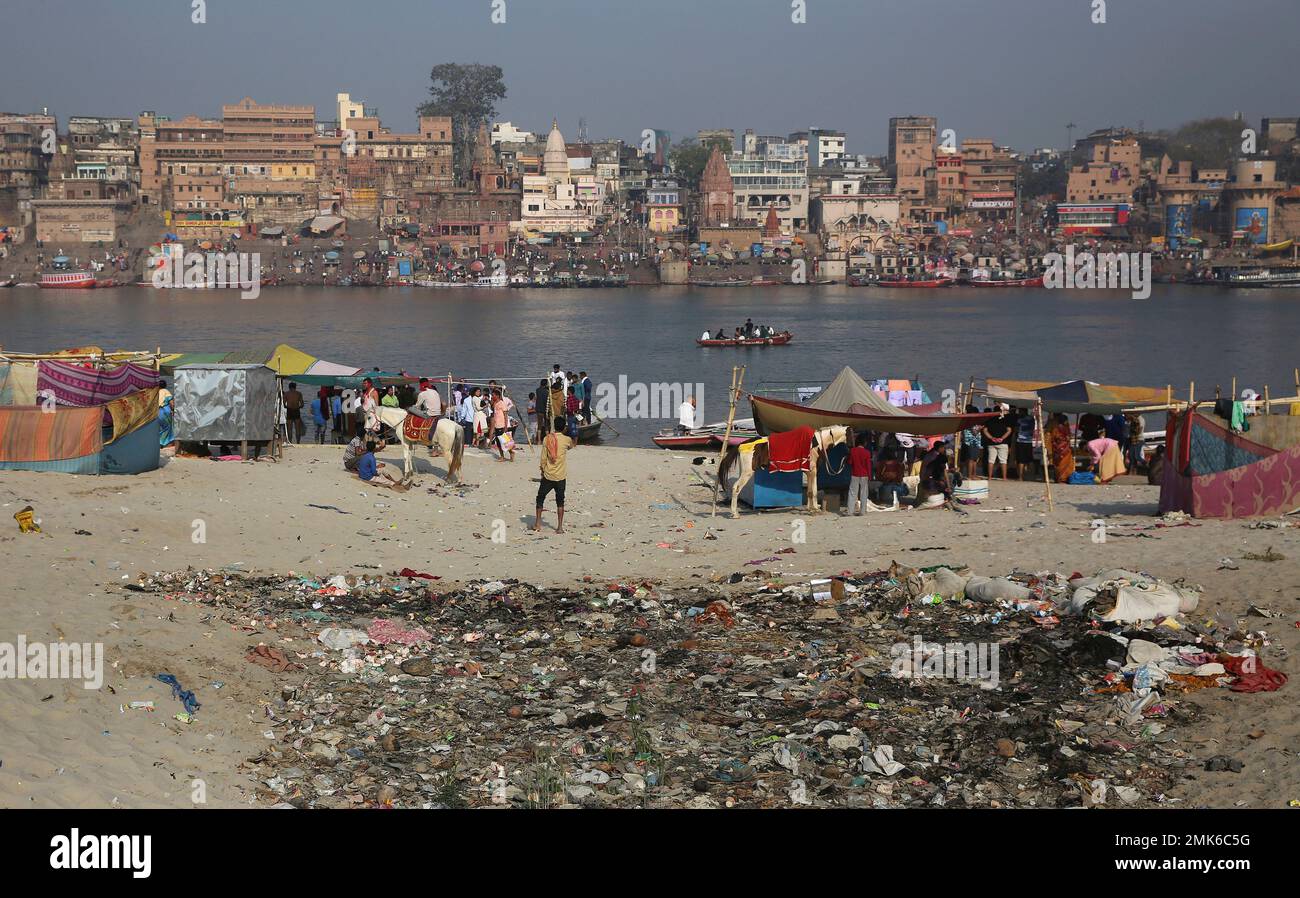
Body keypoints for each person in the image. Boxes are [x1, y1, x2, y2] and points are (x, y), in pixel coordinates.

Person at [534, 416, 574, 533]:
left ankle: (537, 524)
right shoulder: (566, 440)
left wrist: (542, 470)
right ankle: (560, 527)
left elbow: (543, 458)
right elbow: (571, 446)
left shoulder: (547, 439)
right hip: (560, 476)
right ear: (563, 428)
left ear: (554, 426)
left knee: (540, 498)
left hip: (548, 475)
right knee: (560, 501)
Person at [982, 403, 1014, 480]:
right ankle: (1004, 477)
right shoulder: (1005, 419)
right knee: (1003, 461)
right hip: (1003, 442)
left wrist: (991, 438)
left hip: (991, 442)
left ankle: (989, 477)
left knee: (991, 460)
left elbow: (985, 430)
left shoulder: (989, 419)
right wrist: (1002, 438)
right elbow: (1009, 430)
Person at [846, 433, 873, 516]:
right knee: (864, 493)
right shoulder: (867, 452)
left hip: (855, 474)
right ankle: (862, 511)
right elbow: (868, 466)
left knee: (852, 493)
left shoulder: (853, 451)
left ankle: (850, 511)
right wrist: (870, 476)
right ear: (864, 443)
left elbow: (849, 462)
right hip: (864, 474)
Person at [1047, 413, 1076, 483]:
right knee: (1063, 464)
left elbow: (1053, 439)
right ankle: (1063, 478)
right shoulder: (1061, 429)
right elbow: (1065, 438)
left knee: (1061, 464)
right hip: (1063, 449)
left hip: (1059, 449)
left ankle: (1061, 478)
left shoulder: (1056, 429)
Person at [1013, 407, 1037, 480]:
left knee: (1021, 460)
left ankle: (1020, 477)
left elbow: (1016, 429)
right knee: (1030, 459)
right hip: (1029, 441)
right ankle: (1032, 476)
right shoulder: (1031, 419)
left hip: (1021, 441)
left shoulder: (1019, 420)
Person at [960, 404, 983, 478]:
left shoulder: (966, 419)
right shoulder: (972, 420)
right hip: (972, 442)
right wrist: (981, 428)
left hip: (968, 441)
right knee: (971, 459)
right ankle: (970, 475)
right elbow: (975, 432)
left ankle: (973, 474)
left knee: (972, 459)